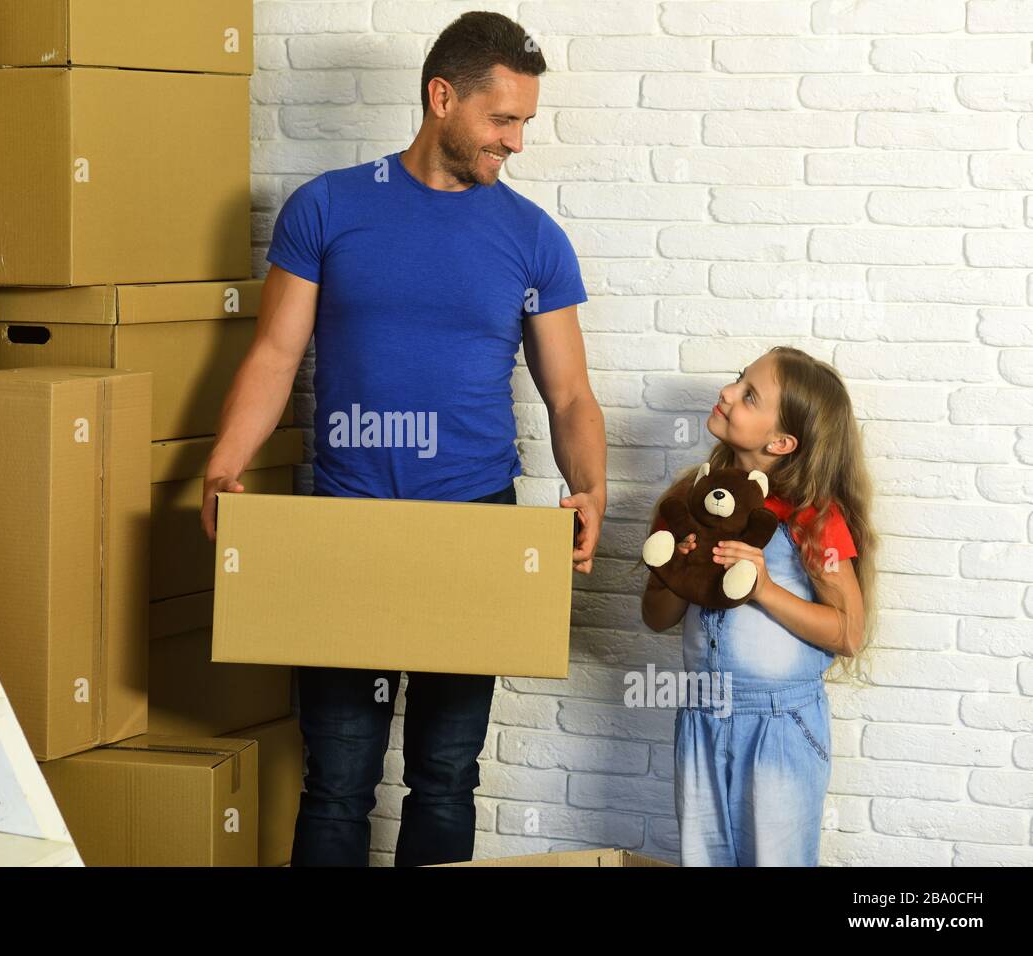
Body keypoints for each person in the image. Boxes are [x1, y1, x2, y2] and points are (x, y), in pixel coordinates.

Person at [201, 12, 607, 866]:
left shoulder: (533, 238)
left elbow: (568, 394)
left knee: (447, 778)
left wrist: (590, 486)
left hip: (476, 528)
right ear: (442, 97)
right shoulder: (330, 208)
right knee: (338, 784)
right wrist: (225, 465)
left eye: (525, 123)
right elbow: (276, 354)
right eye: (504, 121)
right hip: (348, 525)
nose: (517, 142)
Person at [640, 346, 879, 866]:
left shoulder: (814, 517)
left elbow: (848, 633)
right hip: (702, 718)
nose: (727, 394)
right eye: (736, 380)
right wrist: (671, 575)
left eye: (749, 395)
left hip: (779, 726)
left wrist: (764, 588)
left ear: (781, 440)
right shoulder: (694, 498)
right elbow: (656, 618)